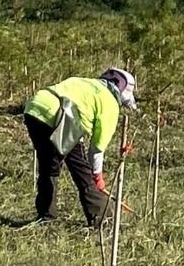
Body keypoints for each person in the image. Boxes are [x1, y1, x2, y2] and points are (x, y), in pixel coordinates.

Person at [23, 68, 138, 227]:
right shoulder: (110, 103)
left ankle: (46, 216)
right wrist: (97, 177)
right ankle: (103, 220)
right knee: (83, 172)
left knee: (48, 165)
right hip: (62, 116)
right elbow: (97, 149)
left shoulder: (84, 81)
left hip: (34, 108)